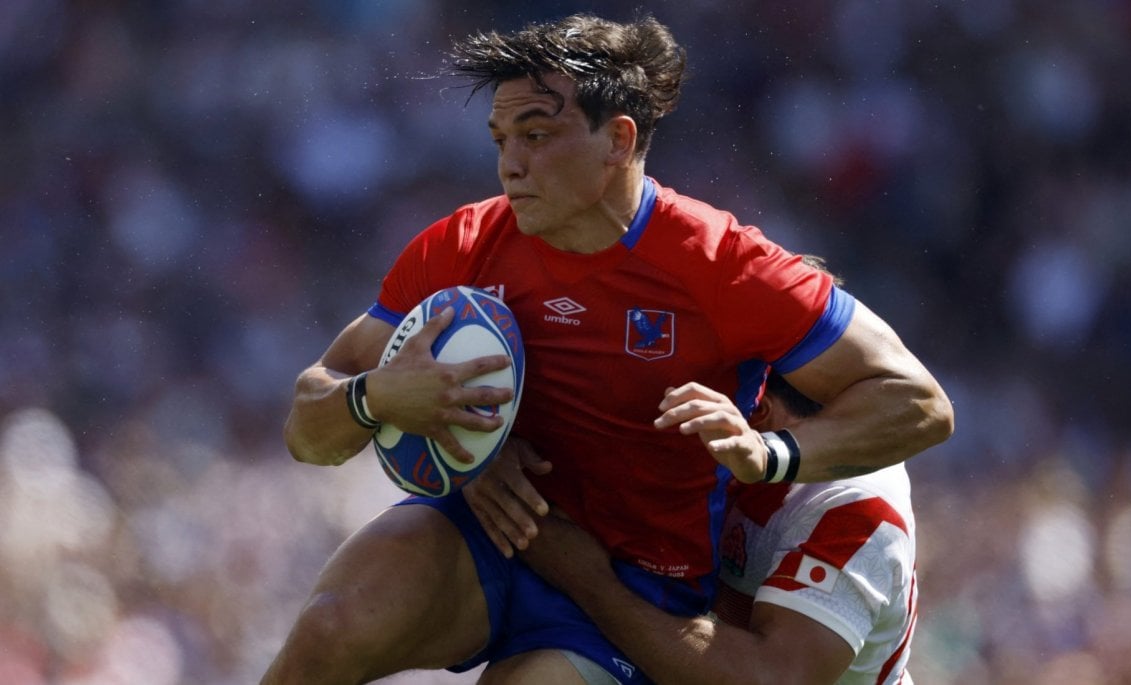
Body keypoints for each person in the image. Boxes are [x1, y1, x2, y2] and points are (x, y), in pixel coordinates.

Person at [262, 13, 952, 685]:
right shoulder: (463, 245)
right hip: (486, 534)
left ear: (618, 139)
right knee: (330, 628)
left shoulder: (725, 264)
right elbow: (308, 432)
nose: (510, 164)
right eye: (500, 138)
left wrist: (773, 455)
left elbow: (919, 403)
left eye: (536, 134)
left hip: (636, 593)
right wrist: (376, 397)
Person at [520, 372, 918, 684]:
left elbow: (772, 679)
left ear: (757, 408)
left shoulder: (855, 509)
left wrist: (588, 581)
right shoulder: (736, 438)